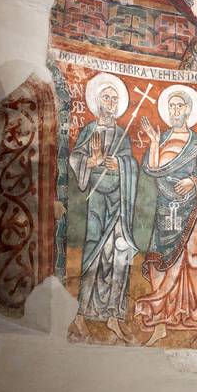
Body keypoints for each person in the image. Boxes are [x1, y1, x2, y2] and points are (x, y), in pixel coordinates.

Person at [136, 89, 197, 346]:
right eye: (171, 107)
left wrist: (193, 182)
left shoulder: (195, 143)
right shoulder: (163, 136)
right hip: (164, 207)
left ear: (188, 110)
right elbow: (154, 170)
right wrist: (154, 142)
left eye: (179, 106)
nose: (175, 111)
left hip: (189, 207)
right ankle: (159, 325)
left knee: (194, 262)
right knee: (156, 262)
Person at [69, 81, 138, 342]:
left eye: (113, 99)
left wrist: (118, 163)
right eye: (106, 98)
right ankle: (81, 315)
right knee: (94, 252)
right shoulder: (89, 130)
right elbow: (75, 159)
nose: (109, 103)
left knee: (119, 254)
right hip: (97, 201)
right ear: (98, 102)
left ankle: (113, 315)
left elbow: (132, 166)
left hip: (118, 203)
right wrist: (92, 160)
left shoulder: (123, 134)